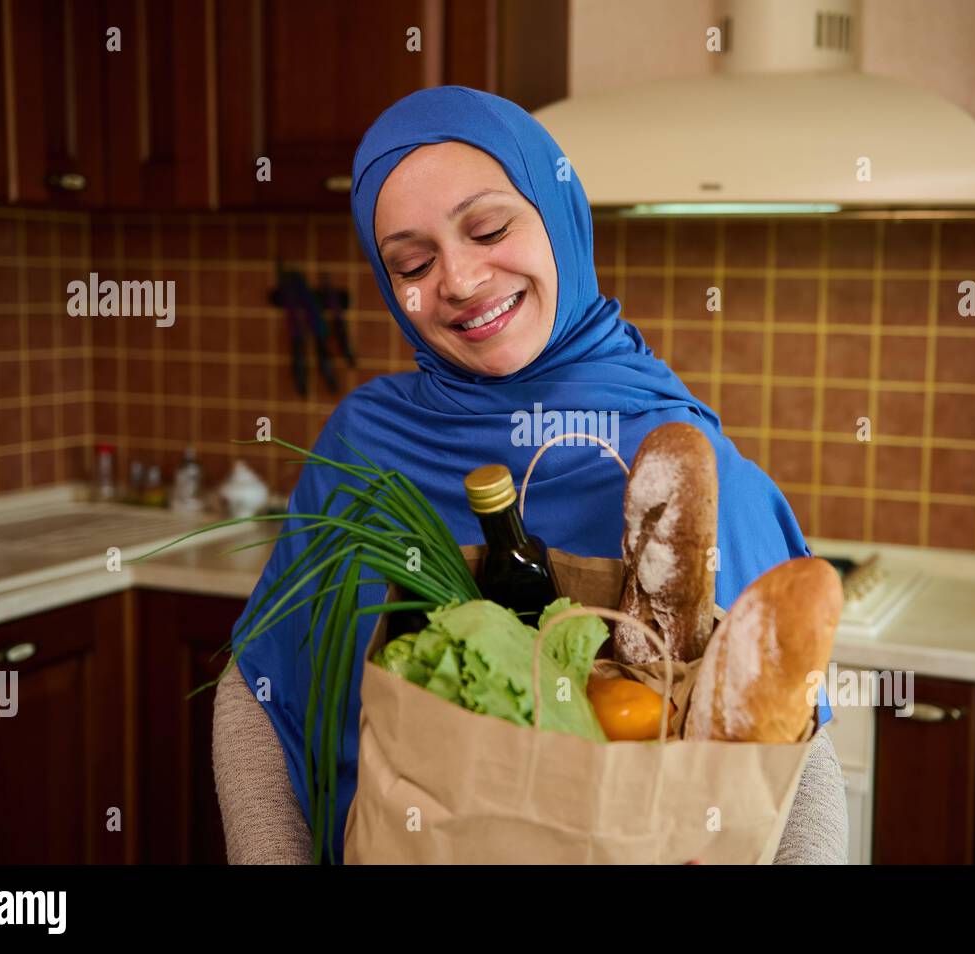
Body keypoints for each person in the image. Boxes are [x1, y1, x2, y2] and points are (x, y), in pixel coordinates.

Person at [212, 86, 846, 865]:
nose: (461, 278)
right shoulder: (365, 445)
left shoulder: (682, 466)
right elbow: (260, 690)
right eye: (413, 261)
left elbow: (796, 754)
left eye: (488, 228)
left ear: (557, 214)